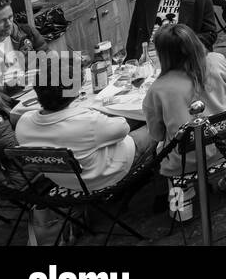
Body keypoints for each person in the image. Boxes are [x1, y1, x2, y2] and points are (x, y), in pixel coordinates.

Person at [143, 23, 226, 218]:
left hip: (186, 159)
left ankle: (182, 202)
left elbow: (156, 133)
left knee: (162, 148)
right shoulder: (217, 61)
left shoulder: (158, 89)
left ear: (164, 54)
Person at [15, 54, 156, 191]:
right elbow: (123, 128)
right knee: (155, 125)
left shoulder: (23, 123)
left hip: (63, 180)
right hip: (105, 176)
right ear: (75, 92)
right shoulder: (87, 121)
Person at [0, 0, 47, 87]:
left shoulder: (26, 32)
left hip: (36, 89)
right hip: (3, 98)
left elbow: (47, 58)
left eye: (10, 17)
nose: (9, 24)